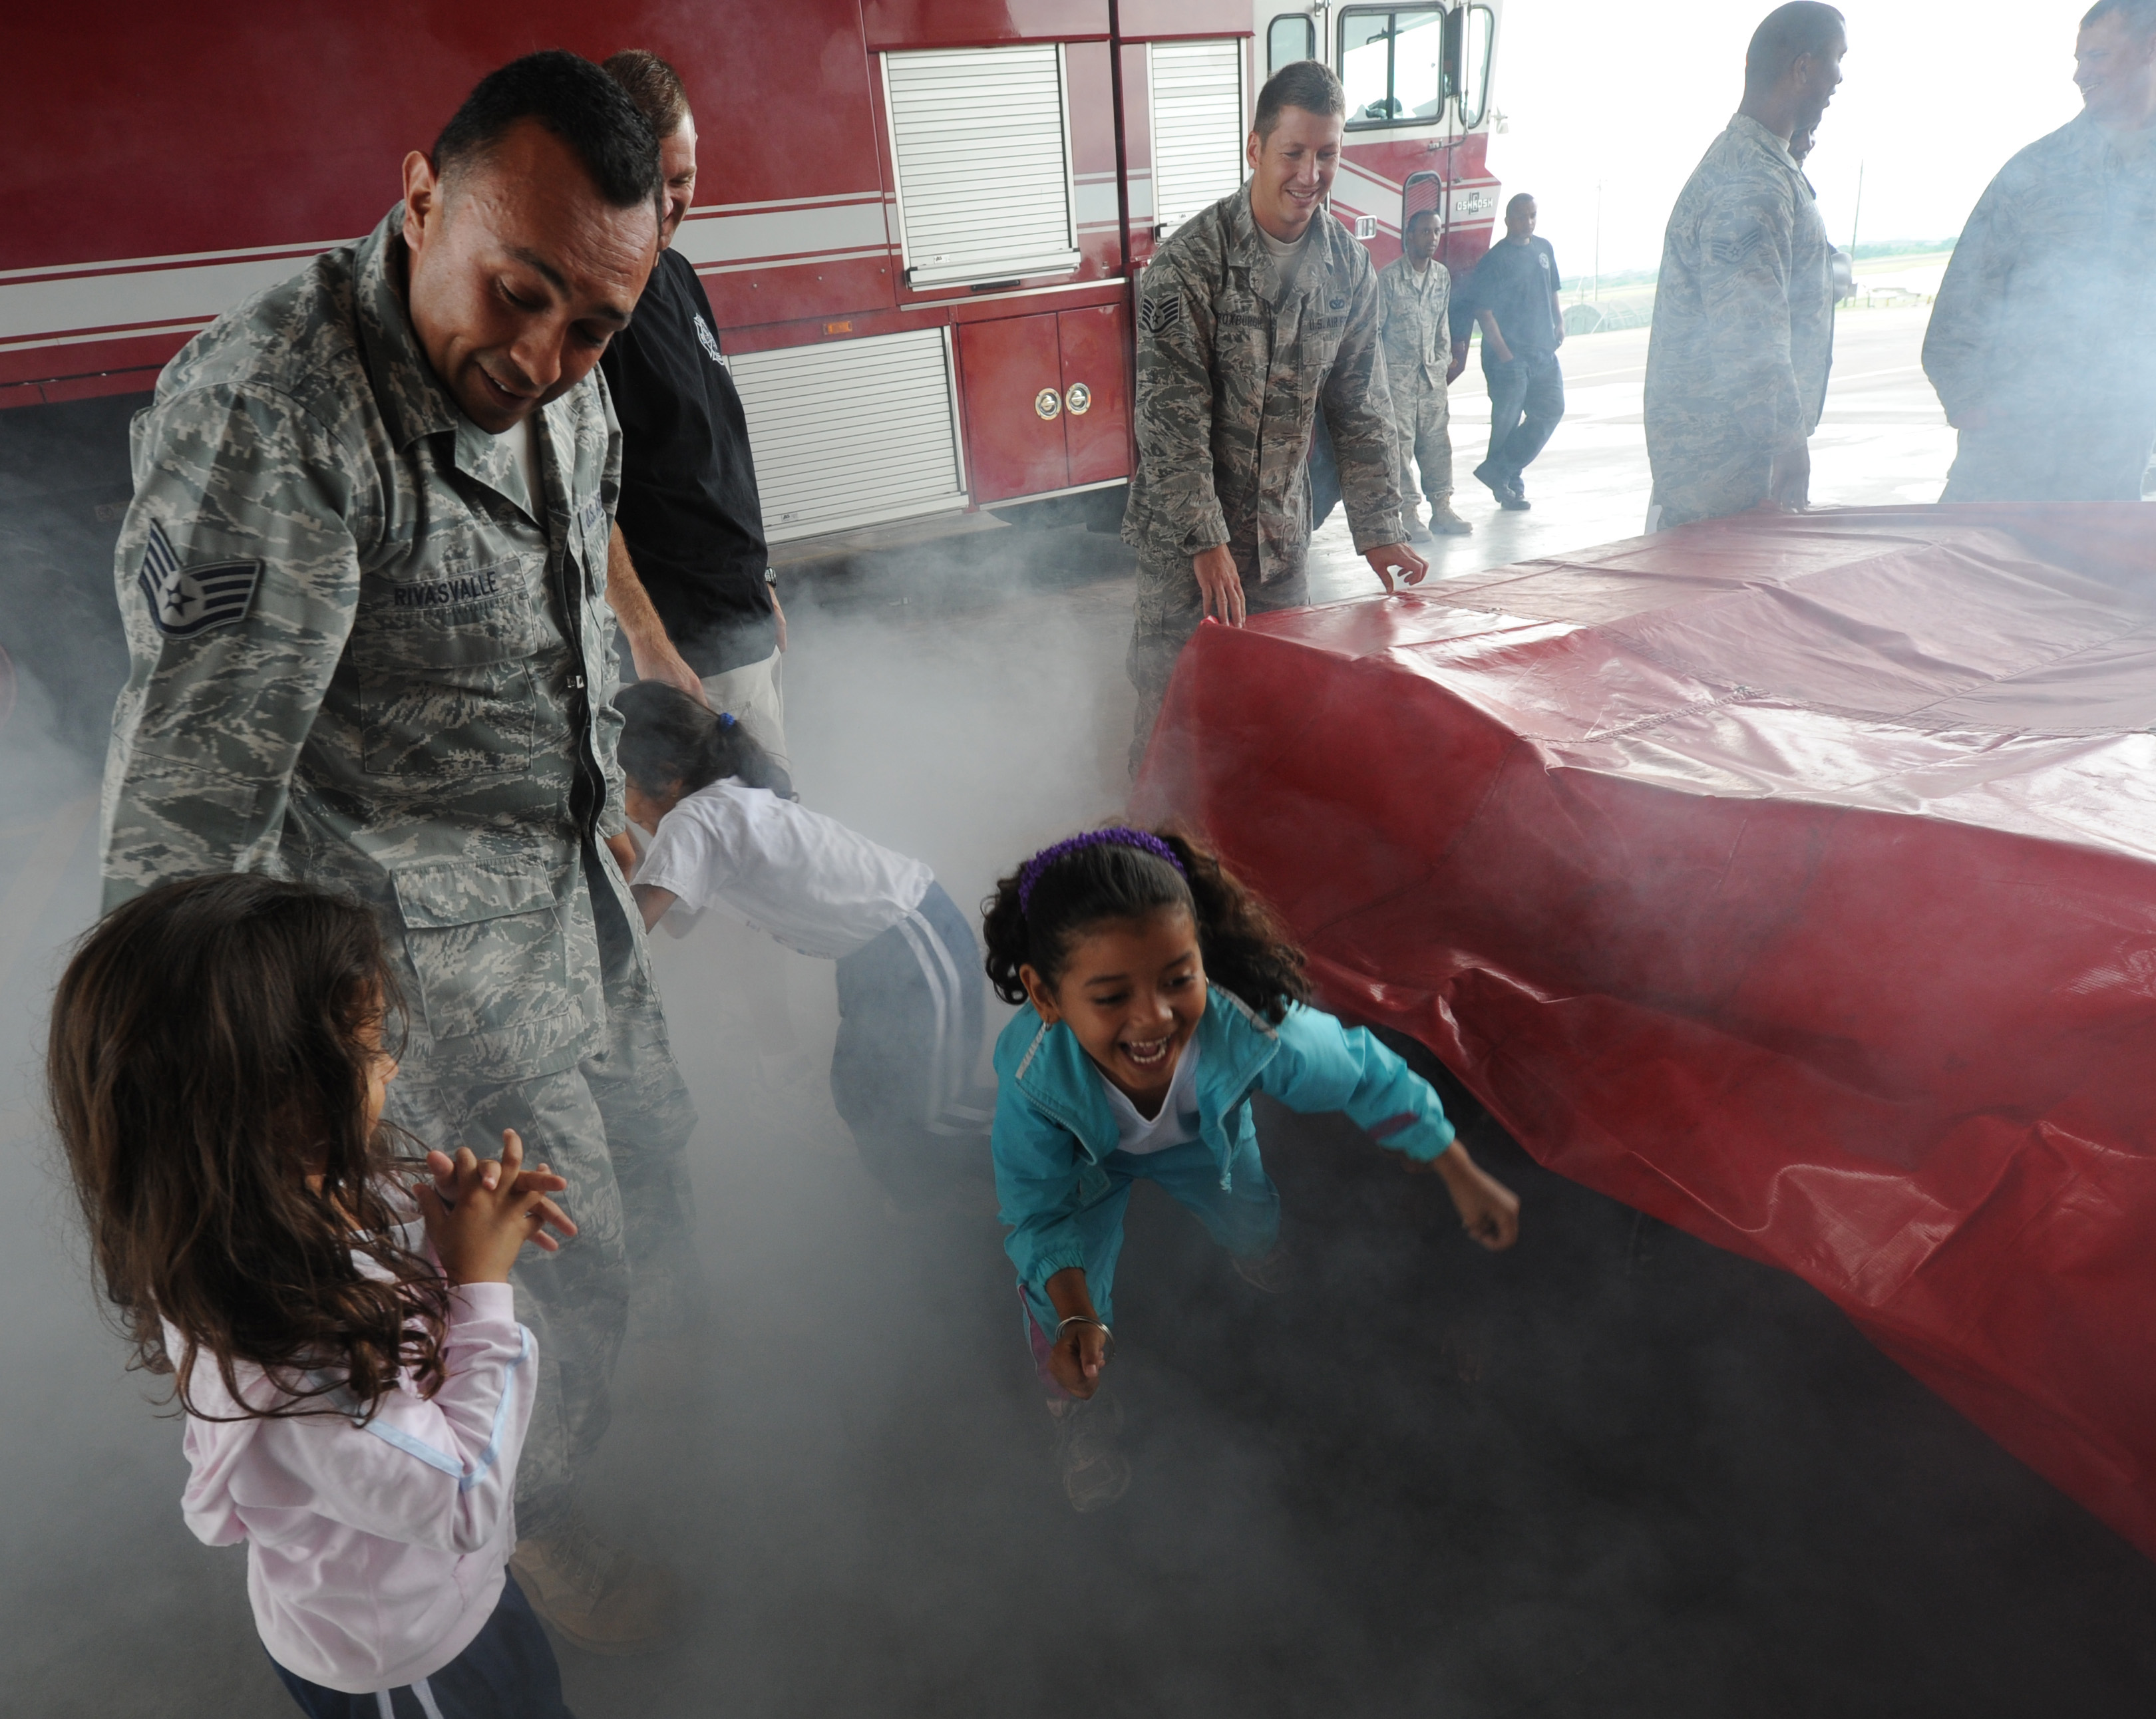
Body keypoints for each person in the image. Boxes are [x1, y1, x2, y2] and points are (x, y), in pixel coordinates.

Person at [98, 52, 695, 1651]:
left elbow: (572, 574)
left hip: (575, 926)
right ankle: (493, 1556)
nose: (545, 357)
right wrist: (215, 1193)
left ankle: (529, 1493)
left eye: (592, 327)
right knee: (538, 1302)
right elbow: (181, 825)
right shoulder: (277, 422)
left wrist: (634, 730)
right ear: (417, 193)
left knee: (658, 1200)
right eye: (519, 297)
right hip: (414, 1019)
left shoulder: (558, 353)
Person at [47, 874, 581, 1718]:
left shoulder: (231, 1211)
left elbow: (371, 1257)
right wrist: (479, 1285)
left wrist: (443, 1226)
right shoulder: (291, 1357)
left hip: (430, 1587)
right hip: (408, 1658)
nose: (391, 1064)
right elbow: (463, 1492)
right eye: (367, 1050)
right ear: (272, 1098)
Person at [982, 827, 1521, 1511]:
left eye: (1179, 978)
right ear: (1045, 994)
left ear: (1203, 959)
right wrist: (1075, 1313)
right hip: (1086, 1166)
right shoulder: (1034, 1077)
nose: (1154, 1021)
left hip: (1202, 1145)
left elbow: (1364, 1073)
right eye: (1112, 996)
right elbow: (1038, 1207)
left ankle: (1256, 1251)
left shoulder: (1250, 1029)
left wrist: (1453, 1162)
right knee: (1054, 1297)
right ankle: (1077, 1406)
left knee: (1250, 1211)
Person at [1123, 59, 1427, 773]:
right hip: (1187, 558)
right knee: (1177, 729)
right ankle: (1149, 868)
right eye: (1294, 152)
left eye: (1328, 154)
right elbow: (1171, 420)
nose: (1310, 174)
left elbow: (1362, 406)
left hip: (1282, 547)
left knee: (1274, 726)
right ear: (1255, 149)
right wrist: (1205, 540)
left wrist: (1380, 529)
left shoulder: (1348, 268)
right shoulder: (1188, 265)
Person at [614, 683, 990, 1206]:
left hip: (914, 943)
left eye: (621, 787)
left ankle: (1067, 1140)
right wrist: (622, 842)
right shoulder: (716, 807)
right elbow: (677, 923)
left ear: (669, 777)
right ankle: (925, 1200)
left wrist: (603, 834)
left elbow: (630, 926)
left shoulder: (694, 821)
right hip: (878, 953)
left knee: (929, 1112)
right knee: (863, 1097)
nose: (625, 808)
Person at [598, 51, 795, 769]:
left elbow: (719, 453)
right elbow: (589, 494)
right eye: (661, 181)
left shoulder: (677, 274)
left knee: (770, 839)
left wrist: (760, 581)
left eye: (688, 178)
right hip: (680, 655)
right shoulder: (596, 310)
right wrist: (650, 645)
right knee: (721, 864)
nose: (677, 201)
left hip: (739, 626)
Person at [1922, 0, 2156, 502]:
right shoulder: (2037, 172)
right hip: (2006, 475)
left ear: (2149, 50)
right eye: (2079, 59)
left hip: (2111, 477)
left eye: (2097, 57)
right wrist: (1980, 413)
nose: (2080, 74)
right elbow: (1955, 313)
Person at [1643, 3, 1845, 530]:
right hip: (1727, 485)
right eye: (1836, 60)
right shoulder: (1753, 182)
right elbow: (1750, 336)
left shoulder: (1766, 166)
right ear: (1802, 68)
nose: (1839, 79)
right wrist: (1787, 445)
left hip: (1727, 476)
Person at [1463, 194, 1566, 511]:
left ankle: (1499, 472)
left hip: (1544, 353)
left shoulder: (1543, 249)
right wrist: (1506, 356)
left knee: (1551, 410)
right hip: (1510, 359)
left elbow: (1551, 289)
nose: (1528, 223)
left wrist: (1559, 322)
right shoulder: (1496, 261)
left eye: (1533, 216)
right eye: (1521, 217)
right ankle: (1509, 488)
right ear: (1507, 220)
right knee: (1507, 423)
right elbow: (1484, 312)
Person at [1377, 208, 1473, 538]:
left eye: (1436, 231)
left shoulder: (1441, 276)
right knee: (1400, 448)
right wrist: (1381, 381)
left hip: (1431, 379)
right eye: (1425, 231)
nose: (1432, 238)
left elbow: (1441, 324)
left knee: (1437, 444)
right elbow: (1374, 332)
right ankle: (1407, 515)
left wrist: (1443, 360)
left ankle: (1442, 510)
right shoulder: (1389, 279)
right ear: (1409, 235)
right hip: (1398, 381)